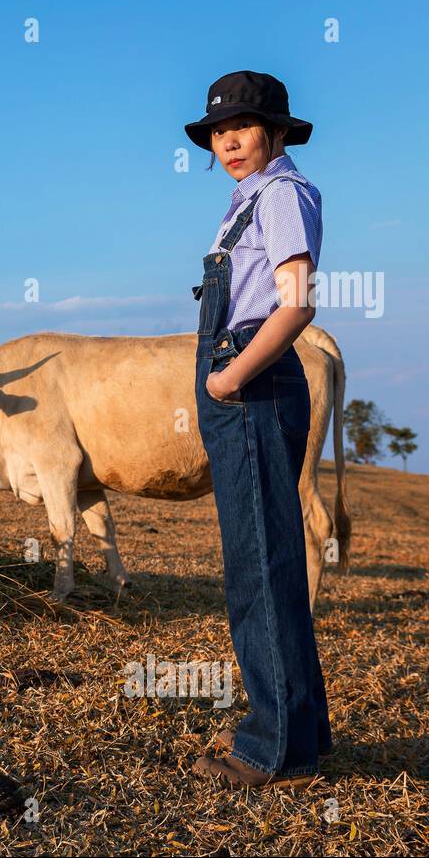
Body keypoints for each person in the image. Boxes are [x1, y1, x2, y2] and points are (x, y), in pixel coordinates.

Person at [184, 70, 333, 789]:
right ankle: (300, 735)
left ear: (276, 132)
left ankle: (273, 750)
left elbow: (298, 302)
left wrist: (231, 376)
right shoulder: (245, 204)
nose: (229, 141)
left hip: (254, 386)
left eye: (242, 127)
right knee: (264, 563)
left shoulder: (282, 196)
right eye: (218, 130)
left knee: (261, 570)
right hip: (243, 387)